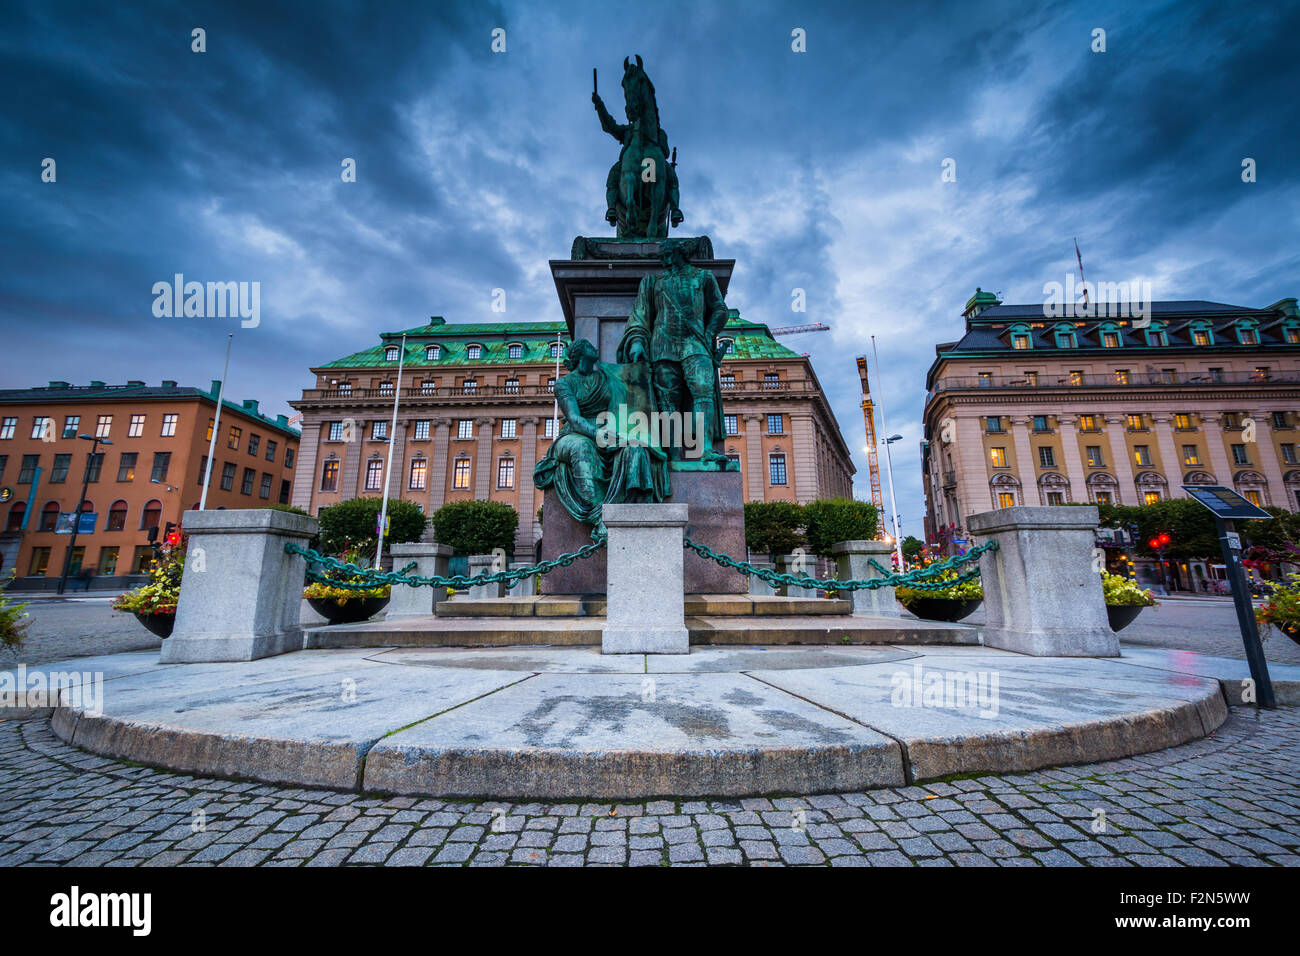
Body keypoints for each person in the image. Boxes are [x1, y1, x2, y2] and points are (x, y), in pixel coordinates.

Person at [532, 338, 669, 535]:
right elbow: (573, 418)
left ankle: (635, 510)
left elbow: (632, 390)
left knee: (635, 448)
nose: (595, 347)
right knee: (582, 448)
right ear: (580, 354)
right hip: (574, 435)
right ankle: (599, 517)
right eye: (589, 346)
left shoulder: (606, 377)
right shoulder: (564, 384)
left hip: (608, 432)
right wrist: (598, 434)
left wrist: (642, 367)